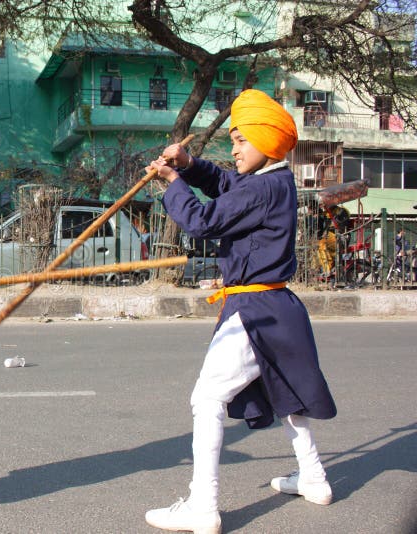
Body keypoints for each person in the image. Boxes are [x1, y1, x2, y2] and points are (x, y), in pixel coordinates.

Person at [143, 89, 337, 534]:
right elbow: (227, 186)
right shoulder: (276, 181)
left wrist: (173, 183)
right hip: (277, 308)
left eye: (241, 141)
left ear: (268, 143)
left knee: (206, 398)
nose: (233, 150)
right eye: (231, 141)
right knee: (288, 397)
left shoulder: (263, 187)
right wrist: (189, 167)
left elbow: (203, 221)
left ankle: (203, 507)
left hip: (254, 310)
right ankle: (314, 478)